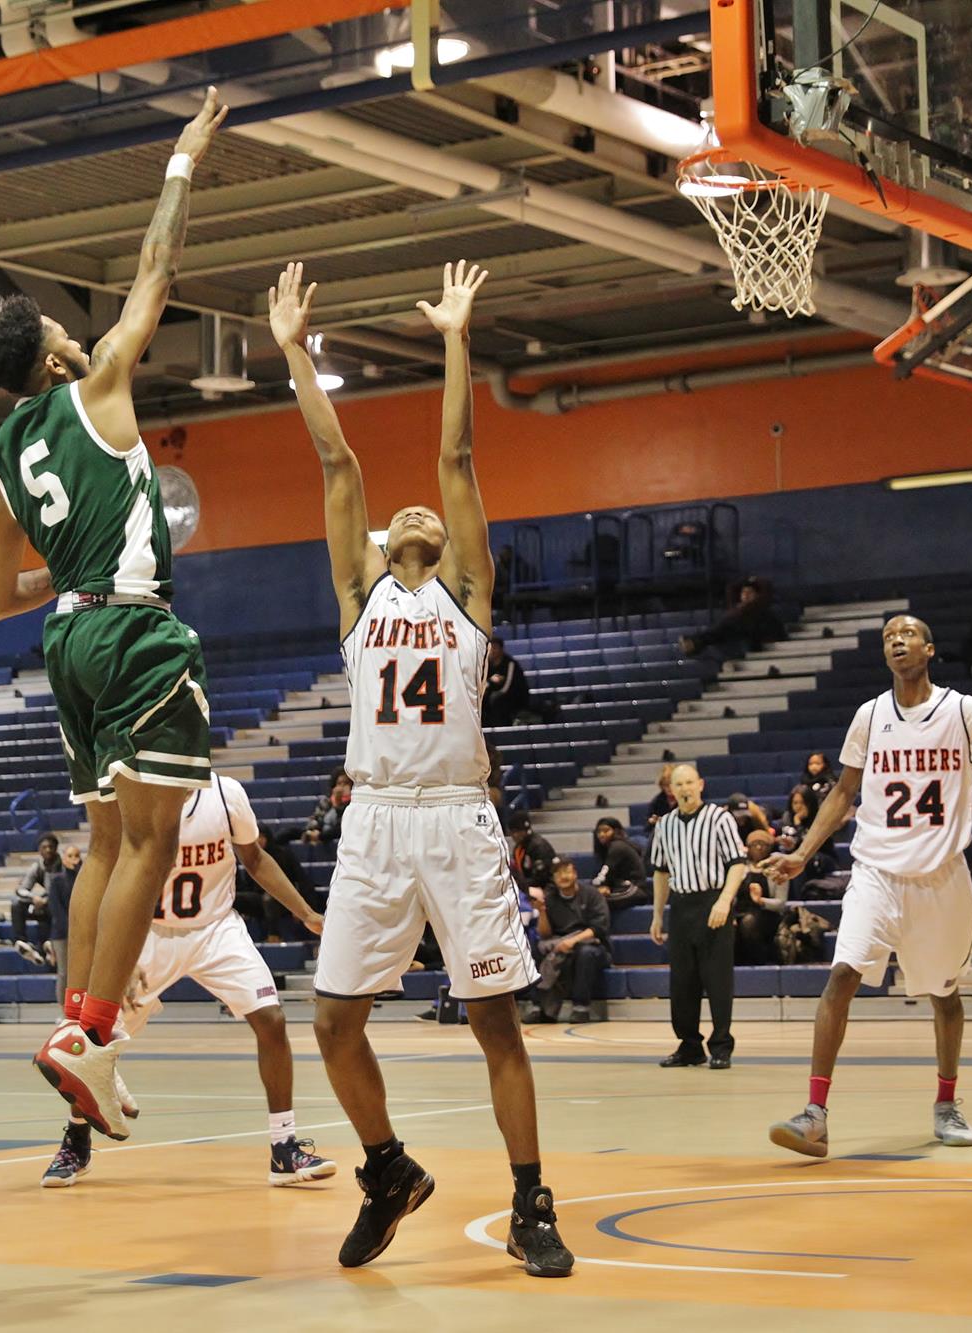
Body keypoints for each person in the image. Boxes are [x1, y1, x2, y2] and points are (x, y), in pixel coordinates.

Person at [272, 259, 572, 1277]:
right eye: (399, 516)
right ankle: (388, 1168)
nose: (413, 511)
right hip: (373, 819)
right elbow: (336, 462)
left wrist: (454, 337)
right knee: (331, 1021)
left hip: (453, 814)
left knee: (495, 1019)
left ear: (449, 545)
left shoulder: (467, 596)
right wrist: (294, 353)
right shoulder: (358, 598)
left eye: (429, 517)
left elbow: (455, 452)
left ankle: (530, 1202)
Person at [0, 89, 228, 1138]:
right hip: (129, 629)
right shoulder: (100, 382)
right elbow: (157, 268)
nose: (82, 335)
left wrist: (62, 577)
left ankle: (76, 1023)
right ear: (52, 359)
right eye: (63, 331)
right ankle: (95, 1036)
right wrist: (180, 162)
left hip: (67, 636)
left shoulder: (0, 460)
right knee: (155, 842)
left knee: (105, 843)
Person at [767, 614, 972, 1156]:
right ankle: (815, 1114)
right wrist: (802, 853)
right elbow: (843, 793)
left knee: (944, 994)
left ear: (930, 649)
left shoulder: (960, 709)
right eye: (888, 636)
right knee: (842, 975)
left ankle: (946, 1103)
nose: (897, 640)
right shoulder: (870, 715)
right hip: (876, 871)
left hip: (940, 877)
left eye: (908, 633)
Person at [40, 774, 332, 1190]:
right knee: (93, 1041)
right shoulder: (138, 795)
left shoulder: (226, 793)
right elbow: (111, 876)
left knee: (272, 1020)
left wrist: (306, 914)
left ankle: (284, 1148)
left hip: (216, 929)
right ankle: (77, 1140)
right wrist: (117, 954)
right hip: (150, 933)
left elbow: (255, 859)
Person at [649, 761, 750, 1070]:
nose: (685, 789)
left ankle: (721, 1045)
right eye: (679, 784)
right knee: (682, 982)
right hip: (681, 906)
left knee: (717, 979)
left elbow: (737, 864)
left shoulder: (720, 818)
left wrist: (724, 901)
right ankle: (689, 1046)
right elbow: (661, 872)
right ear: (671, 790)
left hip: (713, 902)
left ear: (701, 785)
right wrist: (657, 915)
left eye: (689, 783)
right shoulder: (664, 825)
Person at [525, 858, 610, 1025]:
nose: (563, 876)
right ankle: (540, 1007)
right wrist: (542, 911)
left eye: (567, 872)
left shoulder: (591, 894)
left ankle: (581, 1007)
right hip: (558, 944)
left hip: (591, 943)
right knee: (535, 950)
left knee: (585, 953)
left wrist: (572, 942)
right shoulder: (550, 898)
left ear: (575, 874)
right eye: (558, 873)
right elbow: (545, 934)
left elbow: (599, 928)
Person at [679, 576, 786, 658]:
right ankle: (697, 641)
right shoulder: (736, 612)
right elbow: (732, 587)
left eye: (750, 592)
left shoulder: (764, 613)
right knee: (722, 631)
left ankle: (696, 641)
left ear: (757, 595)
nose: (746, 595)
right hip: (741, 644)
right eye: (743, 592)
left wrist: (754, 580)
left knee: (726, 628)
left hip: (758, 647)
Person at [734, 829, 787, 967]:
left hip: (766, 914)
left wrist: (761, 900)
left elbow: (781, 903)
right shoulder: (740, 868)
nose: (758, 847)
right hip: (740, 911)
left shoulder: (778, 869)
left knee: (749, 922)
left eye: (763, 844)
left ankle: (759, 962)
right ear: (748, 848)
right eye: (755, 844)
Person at [10, 832, 58, 964]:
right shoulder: (37, 867)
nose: (48, 850)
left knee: (52, 907)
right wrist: (34, 899)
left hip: (60, 906)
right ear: (39, 850)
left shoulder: (63, 865)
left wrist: (47, 900)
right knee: (16, 904)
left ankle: (48, 945)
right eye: (44, 847)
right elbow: (21, 889)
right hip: (44, 905)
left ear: (56, 848)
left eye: (51, 847)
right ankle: (22, 942)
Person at [46, 842, 82, 992]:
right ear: (63, 858)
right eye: (70, 856)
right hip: (62, 933)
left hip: (83, 932)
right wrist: (71, 929)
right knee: (64, 973)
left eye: (76, 856)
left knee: (83, 973)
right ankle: (63, 1005)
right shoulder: (56, 880)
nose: (74, 859)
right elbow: (56, 909)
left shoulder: (84, 879)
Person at [590, 818, 648, 908]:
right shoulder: (607, 850)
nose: (601, 834)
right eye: (599, 832)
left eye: (606, 831)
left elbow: (604, 875)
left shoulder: (617, 847)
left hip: (634, 889)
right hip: (621, 887)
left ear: (616, 831)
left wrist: (595, 888)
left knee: (592, 901)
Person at [483, 638, 533, 728]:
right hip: (494, 696)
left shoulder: (510, 663)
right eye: (490, 648)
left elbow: (507, 687)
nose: (492, 651)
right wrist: (490, 682)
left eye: (495, 648)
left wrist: (493, 692)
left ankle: (501, 729)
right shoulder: (486, 664)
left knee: (497, 702)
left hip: (514, 696)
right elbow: (483, 683)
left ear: (501, 649)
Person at [303, 771, 353, 845]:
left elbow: (342, 827)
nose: (341, 787)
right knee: (290, 833)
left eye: (346, 783)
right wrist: (313, 830)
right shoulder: (326, 801)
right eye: (339, 783)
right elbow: (316, 818)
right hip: (322, 833)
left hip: (338, 837)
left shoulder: (353, 804)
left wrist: (337, 804)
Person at [645, 763, 677, 829]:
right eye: (666, 785)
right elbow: (647, 827)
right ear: (662, 786)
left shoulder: (685, 800)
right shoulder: (657, 801)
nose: (669, 788)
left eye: (671, 784)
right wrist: (652, 822)